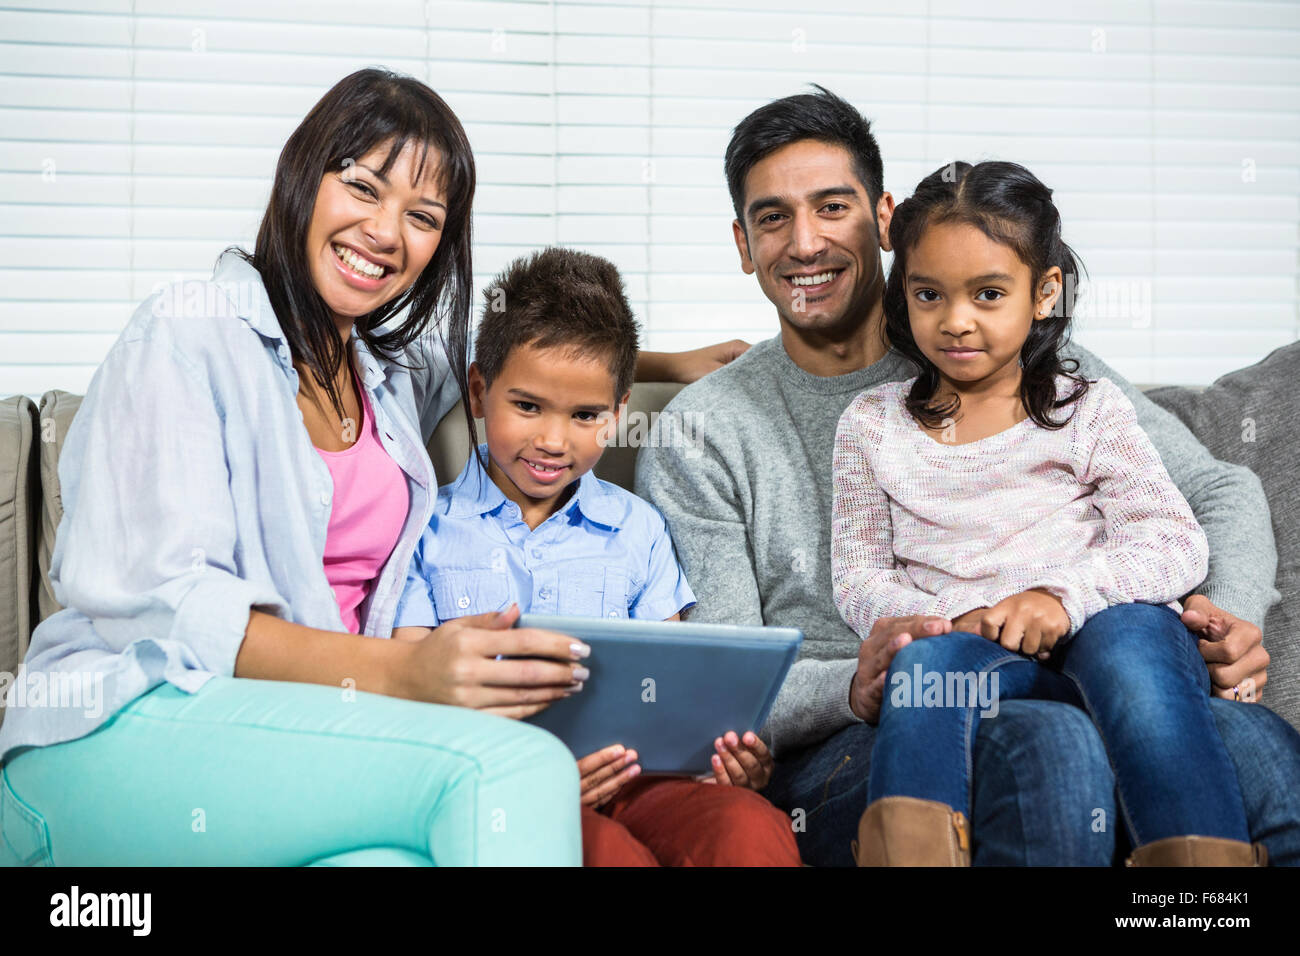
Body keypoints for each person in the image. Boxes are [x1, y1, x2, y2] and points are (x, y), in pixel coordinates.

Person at [0, 68, 742, 867]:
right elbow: (178, 610)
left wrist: (665, 359)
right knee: (513, 765)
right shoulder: (186, 335)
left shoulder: (383, 373)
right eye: (362, 187)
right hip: (127, 723)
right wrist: (404, 671)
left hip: (307, 740)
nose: (387, 233)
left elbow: (514, 358)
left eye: (422, 216)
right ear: (301, 179)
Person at [635, 85, 1300, 867]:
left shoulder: (1030, 363)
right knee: (1046, 745)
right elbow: (726, 684)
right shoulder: (701, 431)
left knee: (1257, 744)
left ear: (884, 219)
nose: (805, 242)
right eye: (772, 217)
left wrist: (1219, 619)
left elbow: (1218, 491)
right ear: (744, 245)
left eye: (832, 207)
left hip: (1077, 647)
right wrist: (860, 678)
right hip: (861, 733)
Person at [833, 159, 1264, 866]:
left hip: (1101, 635)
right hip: (978, 648)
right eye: (929, 293)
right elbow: (858, 574)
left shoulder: (1087, 407)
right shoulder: (871, 424)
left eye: (989, 293)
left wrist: (1060, 599)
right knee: (925, 670)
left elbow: (1172, 540)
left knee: (1135, 641)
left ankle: (1201, 896)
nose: (956, 320)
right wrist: (956, 618)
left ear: (1044, 293)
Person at [389, 246, 799, 866]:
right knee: (600, 851)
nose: (553, 441)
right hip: (503, 780)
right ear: (478, 390)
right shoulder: (425, 523)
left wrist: (722, 754)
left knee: (749, 827)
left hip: (639, 777)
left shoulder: (639, 527)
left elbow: (678, 684)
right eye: (526, 406)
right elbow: (409, 689)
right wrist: (537, 774)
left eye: (584, 415)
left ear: (618, 413)